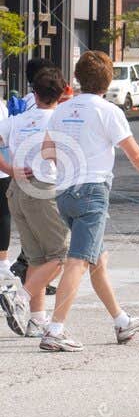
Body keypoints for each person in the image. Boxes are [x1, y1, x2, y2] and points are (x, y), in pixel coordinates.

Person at [30, 52, 139, 352]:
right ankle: (55, 330)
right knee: (77, 261)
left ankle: (121, 321)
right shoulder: (108, 111)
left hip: (64, 193)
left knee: (98, 260)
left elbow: (48, 152)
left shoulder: (61, 110)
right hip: (92, 192)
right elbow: (135, 154)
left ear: (77, 77)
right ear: (108, 80)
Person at [0, 68, 70, 339]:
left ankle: (37, 319)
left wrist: (10, 168)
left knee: (37, 257)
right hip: (44, 190)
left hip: (17, 189)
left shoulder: (18, 120)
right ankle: (18, 297)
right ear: (63, 93)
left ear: (33, 93)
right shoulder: (59, 120)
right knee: (61, 255)